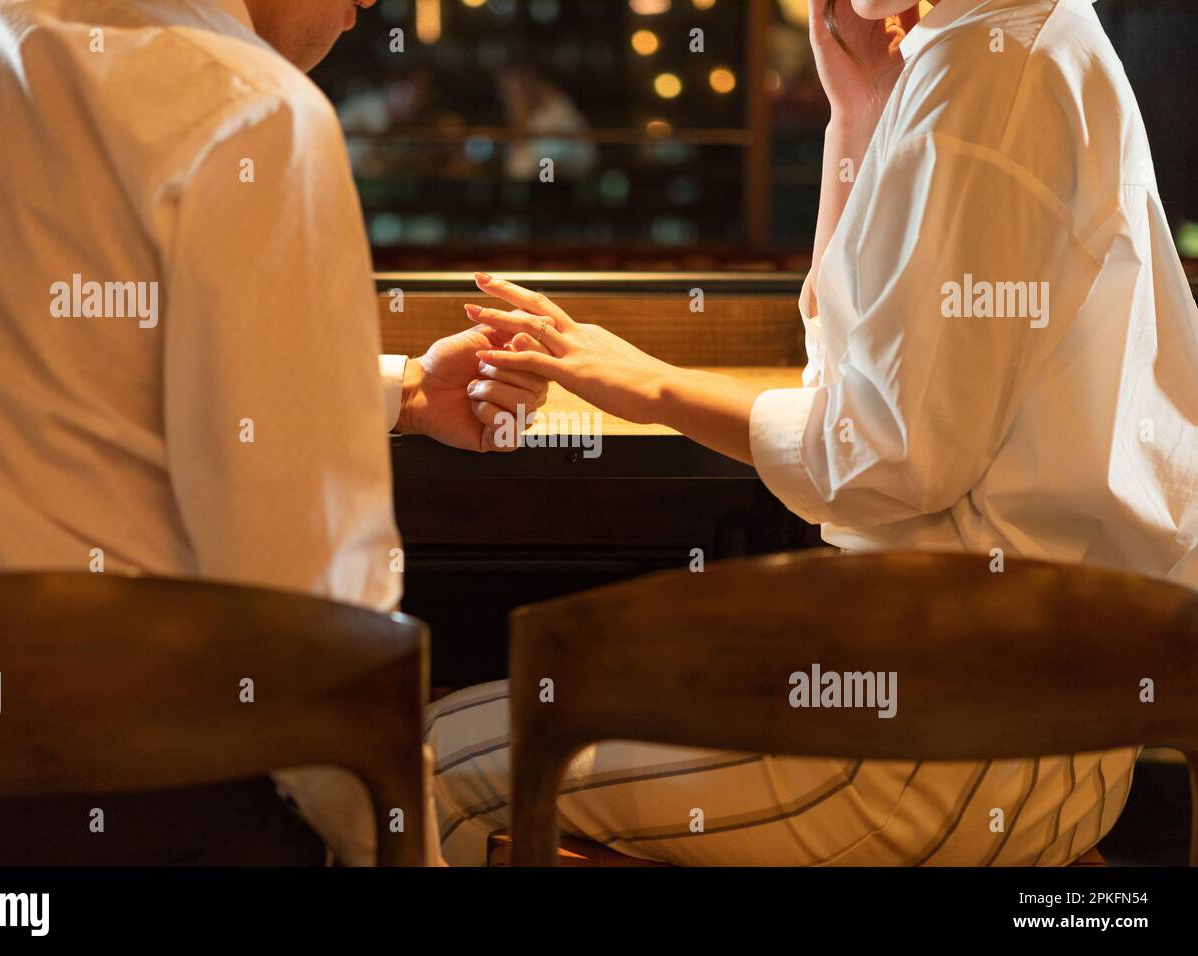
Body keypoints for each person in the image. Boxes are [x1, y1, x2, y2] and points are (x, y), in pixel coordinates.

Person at [427, 0, 1197, 865]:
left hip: (950, 753)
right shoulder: (989, 46)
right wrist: (861, 109)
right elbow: (849, 378)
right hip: (1009, 718)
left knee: (429, 769)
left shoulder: (988, 72)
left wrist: (650, 386)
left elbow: (887, 456)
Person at [0, 0, 546, 864]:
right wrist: (399, 851)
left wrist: (408, 389)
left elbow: (27, 351)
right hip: (129, 806)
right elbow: (313, 628)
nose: (369, 7)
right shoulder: (249, 111)